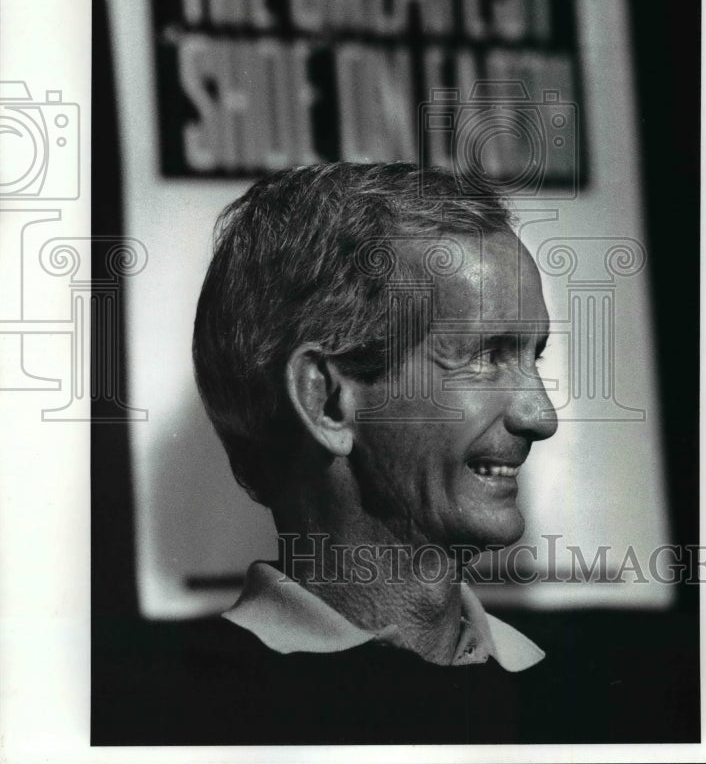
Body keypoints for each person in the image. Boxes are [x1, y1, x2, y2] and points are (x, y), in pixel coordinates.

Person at [175, 161, 574, 743]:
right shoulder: (175, 719)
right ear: (327, 401)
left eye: (531, 356)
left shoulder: (582, 699)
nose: (542, 416)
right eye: (485, 354)